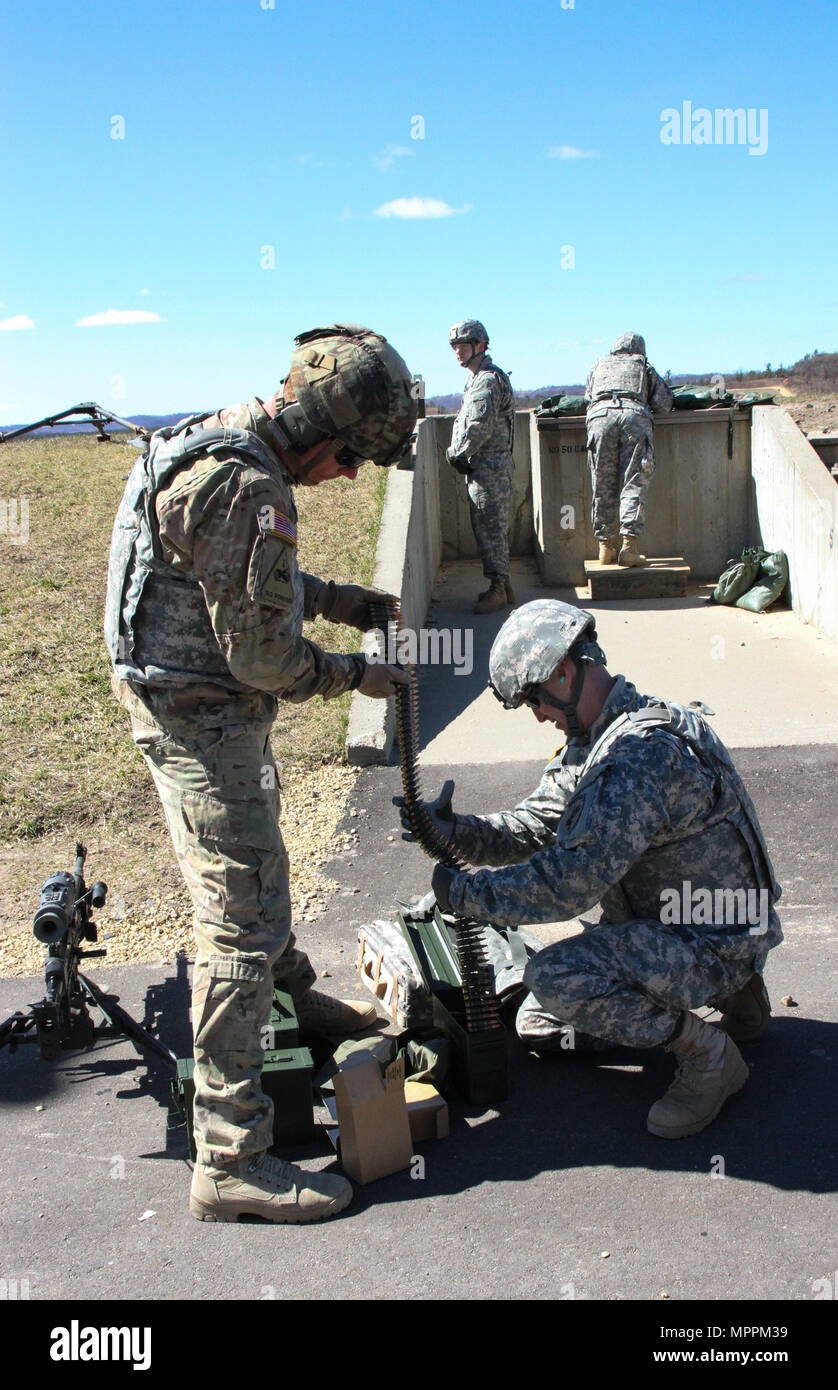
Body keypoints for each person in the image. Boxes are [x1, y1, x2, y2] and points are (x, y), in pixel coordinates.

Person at [104, 324, 416, 1223]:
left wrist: (330, 598)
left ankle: (297, 1003)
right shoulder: (250, 484)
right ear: (319, 434)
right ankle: (231, 1156)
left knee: (262, 865)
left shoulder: (214, 437)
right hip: (202, 715)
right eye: (351, 459)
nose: (350, 477)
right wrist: (359, 674)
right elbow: (266, 658)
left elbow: (231, 576)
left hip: (193, 703)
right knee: (238, 922)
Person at [409, 599, 781, 1139]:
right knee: (537, 1024)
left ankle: (707, 1054)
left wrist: (465, 895)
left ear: (564, 671)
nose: (537, 714)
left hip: (706, 939)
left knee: (555, 979)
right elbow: (537, 825)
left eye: (535, 699)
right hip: (719, 924)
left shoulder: (633, 761)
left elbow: (565, 887)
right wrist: (456, 832)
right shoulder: (618, 731)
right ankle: (737, 991)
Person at [585, 332, 673, 567]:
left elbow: (589, 398)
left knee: (602, 483)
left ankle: (605, 548)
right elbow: (665, 404)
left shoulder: (598, 365)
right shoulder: (642, 364)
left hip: (599, 420)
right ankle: (629, 549)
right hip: (634, 418)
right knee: (633, 481)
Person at [446, 320, 516, 613]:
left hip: (490, 466)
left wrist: (456, 453)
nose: (458, 352)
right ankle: (504, 586)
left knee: (490, 527)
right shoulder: (477, 379)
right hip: (484, 465)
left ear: (481, 346)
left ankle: (498, 588)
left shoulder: (487, 380)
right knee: (489, 526)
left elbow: (478, 426)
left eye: (463, 345)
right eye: (455, 347)